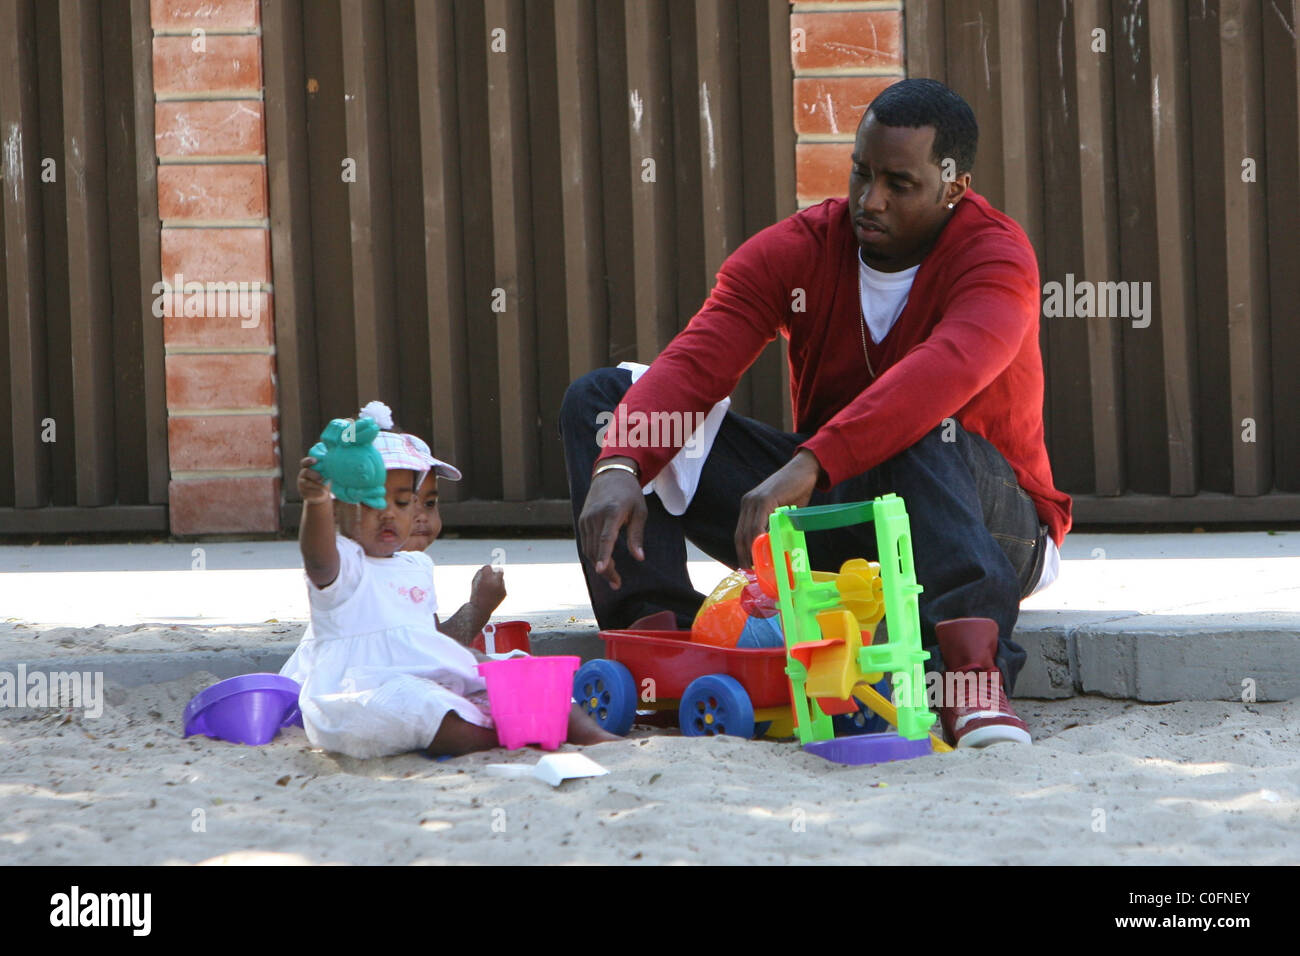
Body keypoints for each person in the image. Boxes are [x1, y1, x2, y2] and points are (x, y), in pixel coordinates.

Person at [561, 79, 1072, 748]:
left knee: (923, 427)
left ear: (955, 187)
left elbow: (937, 376)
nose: (869, 200)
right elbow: (695, 361)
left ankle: (970, 679)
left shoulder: (997, 258)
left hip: (986, 528)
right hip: (836, 505)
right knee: (604, 402)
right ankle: (662, 645)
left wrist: (807, 461)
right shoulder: (803, 247)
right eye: (861, 173)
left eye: (899, 183)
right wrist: (622, 459)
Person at [287, 403, 617, 758]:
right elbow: (318, 559)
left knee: (520, 670)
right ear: (337, 509)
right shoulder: (344, 565)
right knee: (428, 710)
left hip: (429, 678)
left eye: (401, 503)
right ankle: (508, 733)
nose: (388, 514)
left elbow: (429, 639)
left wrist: (476, 664)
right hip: (365, 689)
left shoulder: (415, 565)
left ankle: (591, 735)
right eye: (370, 502)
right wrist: (316, 501)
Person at [396, 430, 507, 645]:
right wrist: (478, 608)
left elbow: (431, 644)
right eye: (403, 503)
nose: (421, 517)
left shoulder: (411, 568)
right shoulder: (363, 572)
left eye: (429, 504)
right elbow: (433, 652)